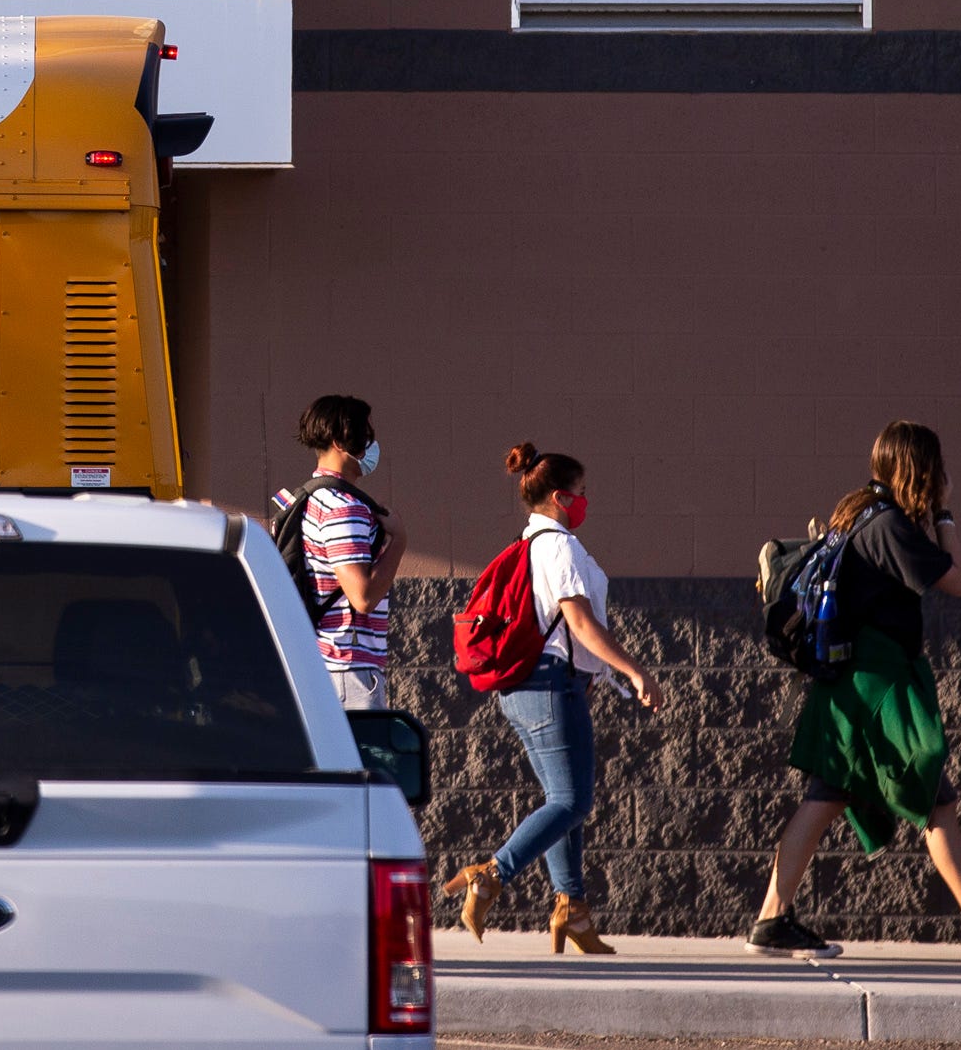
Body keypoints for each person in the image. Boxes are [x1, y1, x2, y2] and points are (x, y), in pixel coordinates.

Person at [745, 421, 961, 964]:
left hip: (852, 684)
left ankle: (772, 921)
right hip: (876, 687)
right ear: (921, 470)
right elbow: (959, 582)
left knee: (835, 795)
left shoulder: (859, 511)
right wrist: (944, 514)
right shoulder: (890, 524)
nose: (943, 476)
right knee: (926, 790)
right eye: (937, 468)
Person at [439, 445, 665, 954]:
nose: (586, 500)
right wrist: (634, 671)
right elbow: (579, 623)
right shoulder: (558, 546)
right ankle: (490, 874)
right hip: (547, 686)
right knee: (572, 801)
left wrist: (589, 675)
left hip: (531, 687)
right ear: (561, 497)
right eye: (581, 492)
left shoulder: (529, 544)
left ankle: (573, 910)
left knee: (563, 802)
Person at [269, 395, 406, 710]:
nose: (371, 444)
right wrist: (399, 540)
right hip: (348, 669)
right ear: (339, 441)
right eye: (365, 435)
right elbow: (362, 597)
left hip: (319, 663)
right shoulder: (343, 508)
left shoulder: (308, 500)